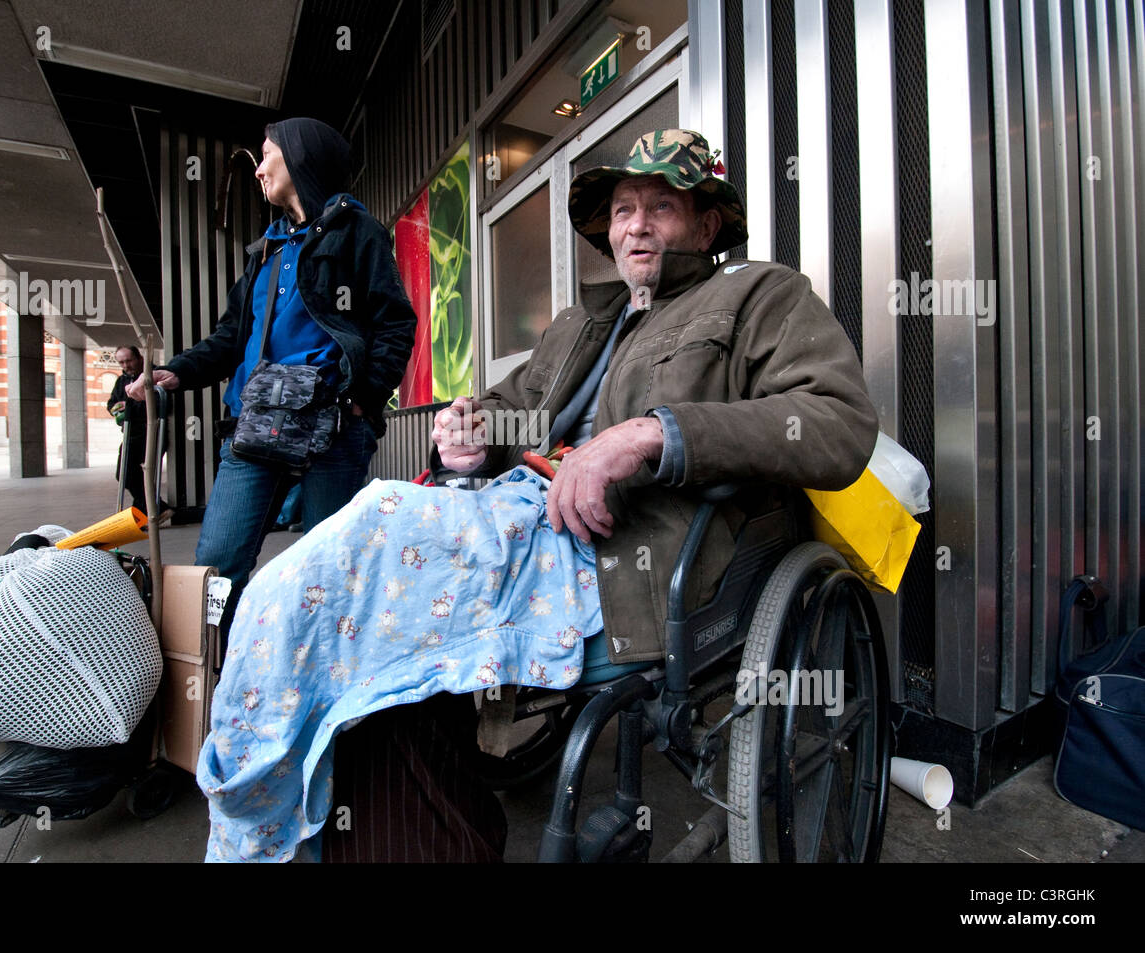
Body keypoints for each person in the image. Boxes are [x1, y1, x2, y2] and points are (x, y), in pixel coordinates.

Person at [196, 129, 878, 862]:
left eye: (660, 206)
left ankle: (277, 822)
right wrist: (470, 430)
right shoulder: (586, 319)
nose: (636, 225)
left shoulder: (757, 296)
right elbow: (514, 409)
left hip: (625, 549)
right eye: (621, 209)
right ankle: (323, 820)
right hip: (514, 512)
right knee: (322, 592)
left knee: (355, 561)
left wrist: (653, 435)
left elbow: (838, 423)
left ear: (708, 224)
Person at [124, 118, 416, 639]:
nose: (258, 169)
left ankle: (314, 688)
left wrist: (361, 400)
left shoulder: (357, 233)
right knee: (214, 568)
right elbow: (229, 338)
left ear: (299, 159)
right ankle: (217, 680)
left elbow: (395, 323)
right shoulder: (265, 251)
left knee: (329, 572)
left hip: (333, 428)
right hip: (254, 425)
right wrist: (175, 371)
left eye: (266, 155)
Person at [107, 345, 166, 518]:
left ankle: (147, 512)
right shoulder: (122, 380)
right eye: (121, 362)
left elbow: (157, 403)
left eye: (128, 360)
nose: (125, 365)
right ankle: (155, 510)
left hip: (150, 432)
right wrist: (115, 408)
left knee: (139, 475)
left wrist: (129, 406)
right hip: (130, 433)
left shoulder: (153, 376)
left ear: (139, 358)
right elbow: (112, 402)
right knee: (126, 474)